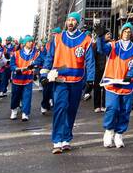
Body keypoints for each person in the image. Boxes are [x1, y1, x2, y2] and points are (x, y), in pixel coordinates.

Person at [41, 12, 97, 153]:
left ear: (77, 23)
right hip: (60, 80)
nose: (70, 22)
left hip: (77, 80)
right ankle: (57, 141)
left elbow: (90, 61)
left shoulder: (86, 39)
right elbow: (50, 57)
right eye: (69, 20)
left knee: (71, 110)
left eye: (73, 20)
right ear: (66, 22)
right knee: (60, 108)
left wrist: (90, 80)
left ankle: (66, 139)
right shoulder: (57, 38)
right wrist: (44, 73)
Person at [100, 23, 133, 149]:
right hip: (112, 83)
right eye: (125, 30)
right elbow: (102, 49)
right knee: (112, 108)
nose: (127, 33)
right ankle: (109, 131)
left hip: (127, 84)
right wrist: (100, 37)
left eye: (129, 31)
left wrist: (130, 74)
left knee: (125, 110)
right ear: (121, 32)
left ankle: (119, 134)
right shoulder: (113, 45)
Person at [9, 35, 41, 121]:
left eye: (32, 41)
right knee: (15, 96)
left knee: (27, 96)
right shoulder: (16, 53)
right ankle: (14, 111)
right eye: (29, 41)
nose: (31, 43)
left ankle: (25, 113)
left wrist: (35, 65)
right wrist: (17, 69)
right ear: (24, 43)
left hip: (28, 79)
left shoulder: (35, 54)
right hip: (17, 78)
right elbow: (12, 65)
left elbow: (38, 62)